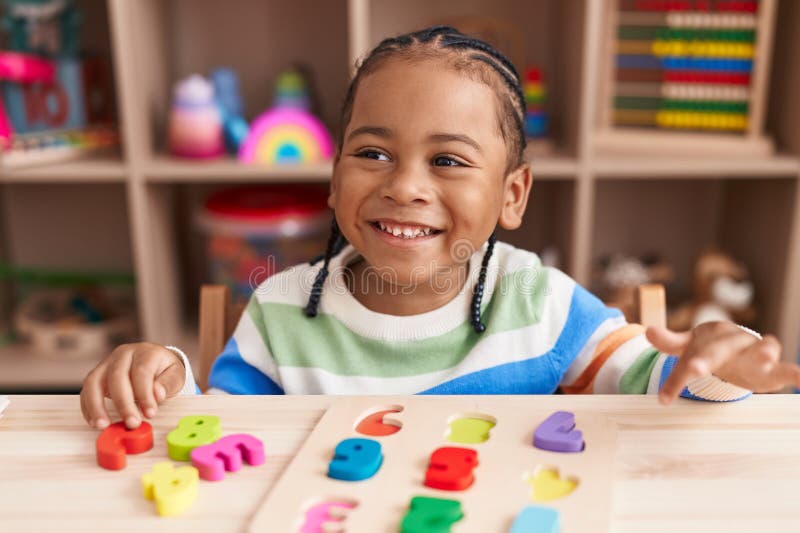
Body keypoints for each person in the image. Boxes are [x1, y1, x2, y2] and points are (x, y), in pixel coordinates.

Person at [80, 26, 800, 431]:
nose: (405, 186)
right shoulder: (278, 312)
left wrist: (720, 366)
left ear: (512, 194)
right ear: (334, 181)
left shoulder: (542, 306)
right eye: (372, 153)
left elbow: (661, 391)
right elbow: (218, 439)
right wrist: (162, 376)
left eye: (449, 160)